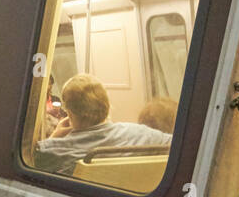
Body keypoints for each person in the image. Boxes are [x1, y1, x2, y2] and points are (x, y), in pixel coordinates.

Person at [33, 74, 171, 175]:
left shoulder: (53, 150)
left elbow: (32, 167)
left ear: (70, 113)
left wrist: (55, 136)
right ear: (107, 105)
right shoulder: (141, 134)